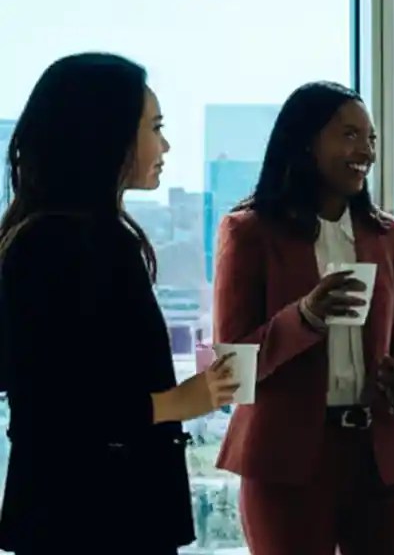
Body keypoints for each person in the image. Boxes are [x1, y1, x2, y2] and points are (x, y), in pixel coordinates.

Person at [0, 53, 239, 554]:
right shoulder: (62, 244)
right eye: (154, 126)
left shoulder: (61, 236)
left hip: (90, 512)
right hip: (92, 517)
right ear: (105, 134)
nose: (165, 144)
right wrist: (179, 402)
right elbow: (53, 403)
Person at [212, 81, 394, 555]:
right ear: (306, 141)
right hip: (285, 461)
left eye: (370, 139)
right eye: (349, 135)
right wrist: (305, 318)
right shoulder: (249, 231)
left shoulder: (384, 234)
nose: (365, 151)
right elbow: (229, 373)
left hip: (376, 456)